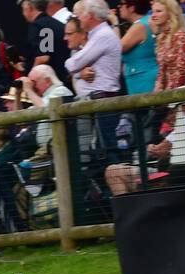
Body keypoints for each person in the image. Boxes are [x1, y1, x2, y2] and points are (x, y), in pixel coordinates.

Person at [66, 1, 124, 162]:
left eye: (79, 16)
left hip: (103, 103)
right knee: (98, 153)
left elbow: (72, 63)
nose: (78, 20)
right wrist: (79, 72)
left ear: (90, 16)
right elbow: (79, 66)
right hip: (97, 103)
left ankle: (119, 186)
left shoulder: (102, 35)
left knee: (107, 153)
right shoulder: (96, 35)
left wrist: (76, 68)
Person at [22, 0, 71, 88]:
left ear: (30, 7)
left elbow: (43, 58)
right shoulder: (57, 24)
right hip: (66, 81)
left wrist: (30, 81)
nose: (23, 14)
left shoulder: (39, 26)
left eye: (23, 9)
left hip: (52, 86)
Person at [117, 0, 160, 95]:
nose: (119, 7)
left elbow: (117, 48)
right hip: (144, 77)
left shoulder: (139, 26)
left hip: (143, 80)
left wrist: (115, 23)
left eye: (122, 4)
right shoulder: (147, 21)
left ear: (132, 8)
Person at [150, 0, 185, 90]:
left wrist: (169, 96)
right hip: (164, 94)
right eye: (153, 11)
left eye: (158, 11)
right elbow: (161, 71)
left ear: (170, 13)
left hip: (178, 94)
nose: (153, 16)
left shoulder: (181, 36)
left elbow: (181, 72)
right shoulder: (162, 38)